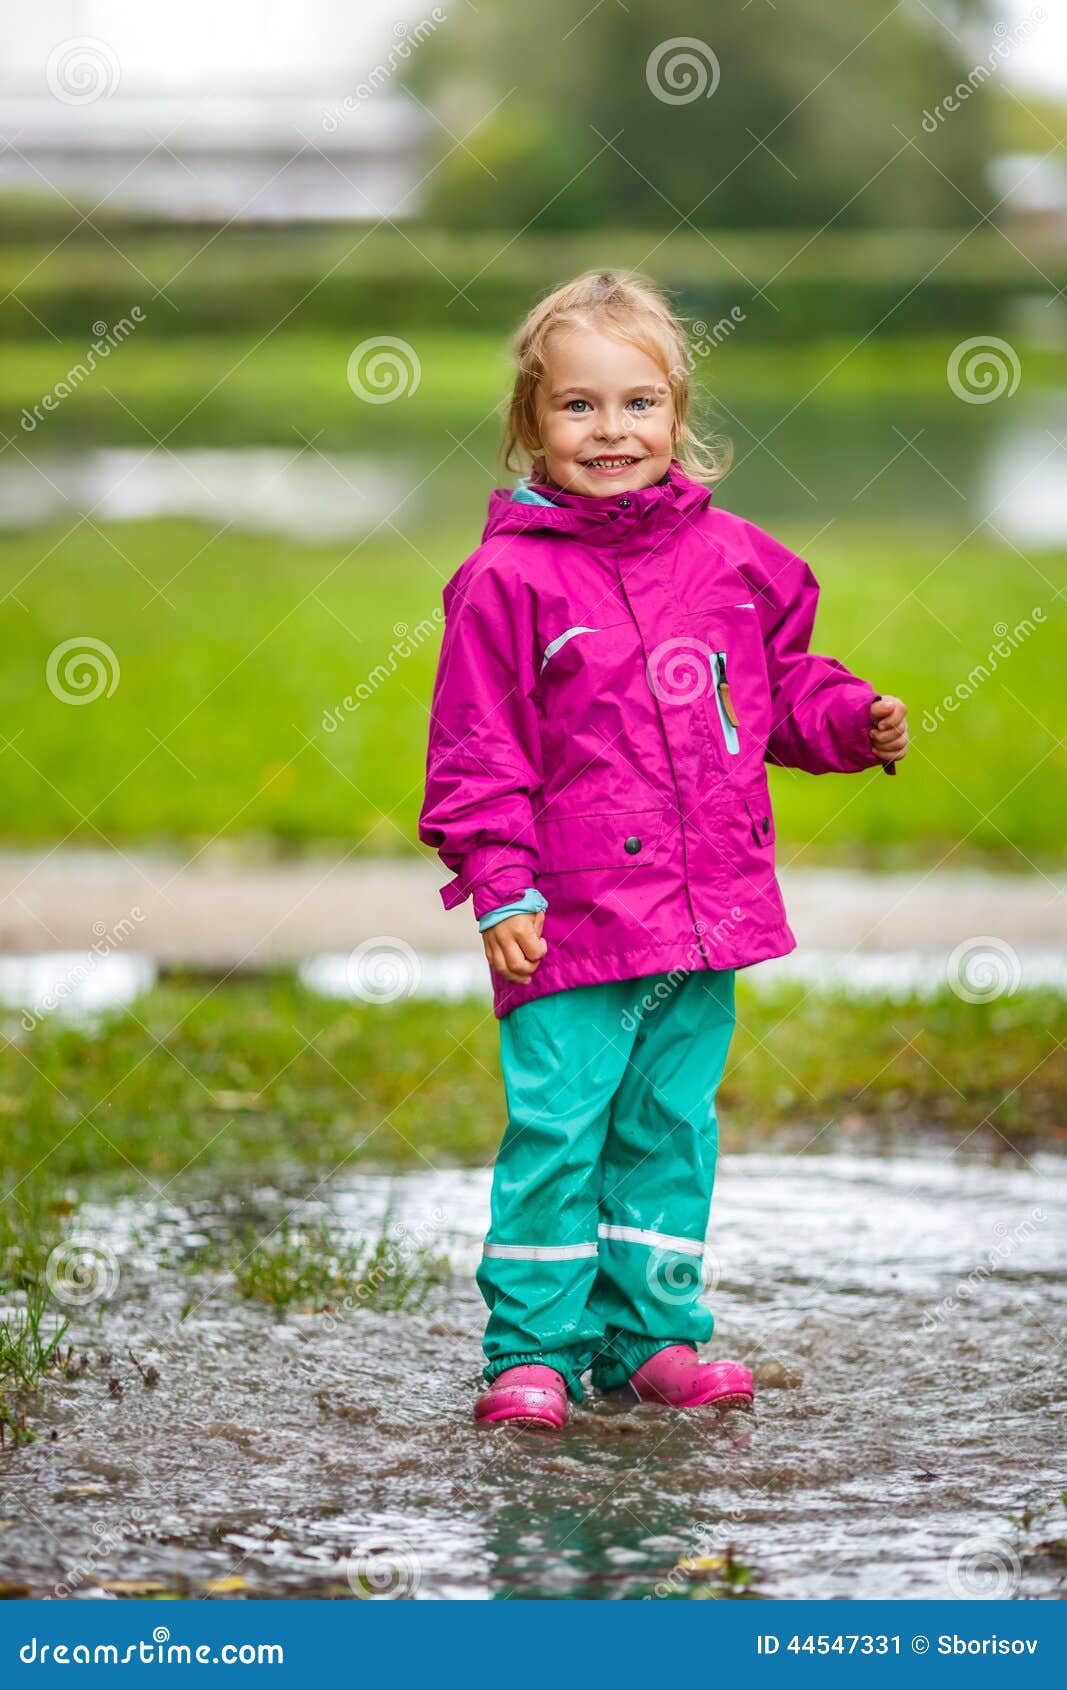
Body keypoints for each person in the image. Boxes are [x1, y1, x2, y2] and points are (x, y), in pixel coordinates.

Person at [418, 269, 908, 1430]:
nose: (610, 431)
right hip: (567, 922)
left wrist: (845, 720)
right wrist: (499, 884)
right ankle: (529, 1351)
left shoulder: (734, 561)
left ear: (677, 417)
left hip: (701, 914)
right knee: (557, 1130)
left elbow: (781, 687)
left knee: (670, 1130)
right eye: (576, 407)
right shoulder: (506, 581)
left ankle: (651, 1337)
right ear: (529, 424)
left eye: (637, 405)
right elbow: (475, 748)